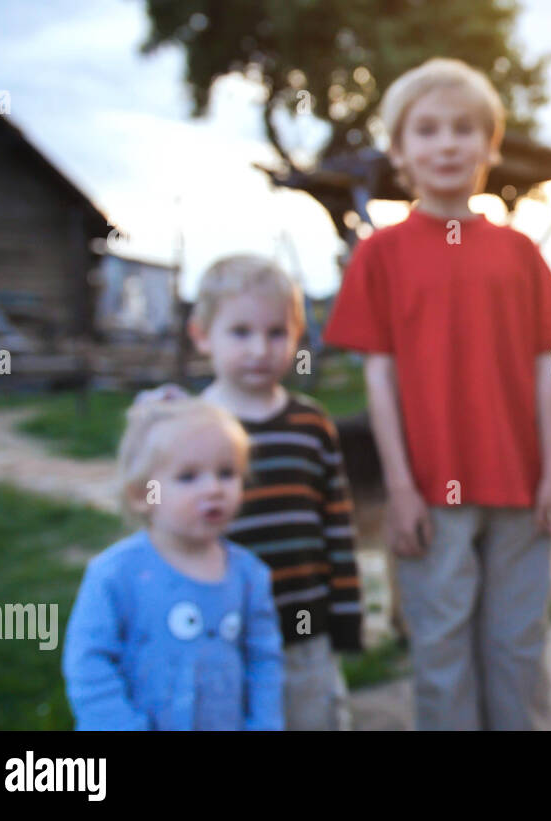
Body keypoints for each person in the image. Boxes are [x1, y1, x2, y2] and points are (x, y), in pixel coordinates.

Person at [322, 58, 551, 730]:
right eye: (428, 129)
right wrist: (402, 487)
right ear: (399, 149)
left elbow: (542, 369)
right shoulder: (380, 256)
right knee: (441, 648)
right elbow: (377, 379)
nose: (447, 143)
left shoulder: (519, 253)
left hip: (522, 487)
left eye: (464, 128)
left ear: (490, 146)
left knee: (517, 645)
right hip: (428, 489)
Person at [186, 254, 364, 731]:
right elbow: (165, 529)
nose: (260, 349)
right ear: (202, 335)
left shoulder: (311, 425)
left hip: (304, 629)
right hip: (220, 629)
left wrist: (344, 616)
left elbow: (336, 524)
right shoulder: (190, 429)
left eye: (276, 333)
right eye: (240, 332)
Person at [63, 398, 285, 730]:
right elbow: (89, 663)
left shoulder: (249, 574)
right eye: (188, 476)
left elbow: (264, 661)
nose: (213, 489)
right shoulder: (116, 574)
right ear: (143, 494)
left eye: (227, 473)